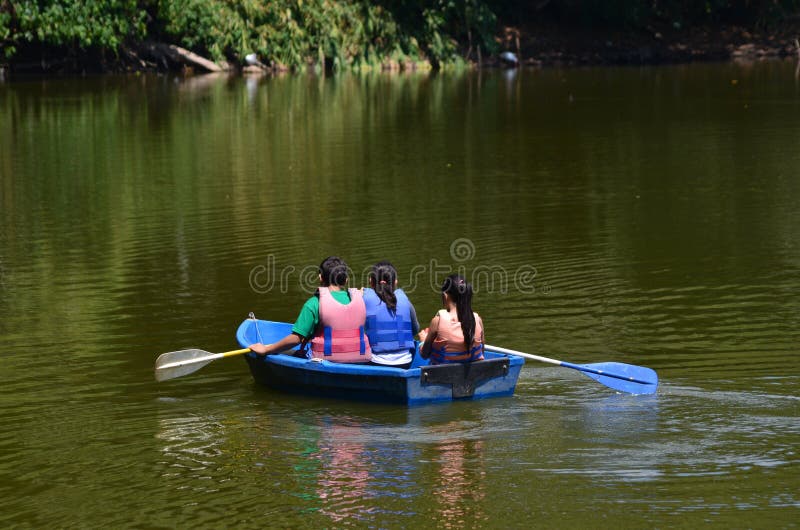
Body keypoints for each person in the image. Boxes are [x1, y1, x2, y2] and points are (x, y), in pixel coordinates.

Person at [249, 256, 372, 363]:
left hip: (326, 359)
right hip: (360, 357)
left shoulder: (314, 303)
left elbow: (296, 339)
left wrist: (266, 349)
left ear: (320, 277)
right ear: (346, 280)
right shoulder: (359, 299)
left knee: (283, 352)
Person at [363, 261, 419, 369]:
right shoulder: (404, 301)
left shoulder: (365, 299)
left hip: (376, 362)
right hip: (405, 362)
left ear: (371, 282)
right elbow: (415, 329)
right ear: (395, 282)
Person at [419, 274, 484, 364]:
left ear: (446, 296)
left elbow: (424, 355)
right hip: (472, 376)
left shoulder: (437, 321)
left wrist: (423, 340)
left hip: (442, 376)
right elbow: (481, 351)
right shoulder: (478, 320)